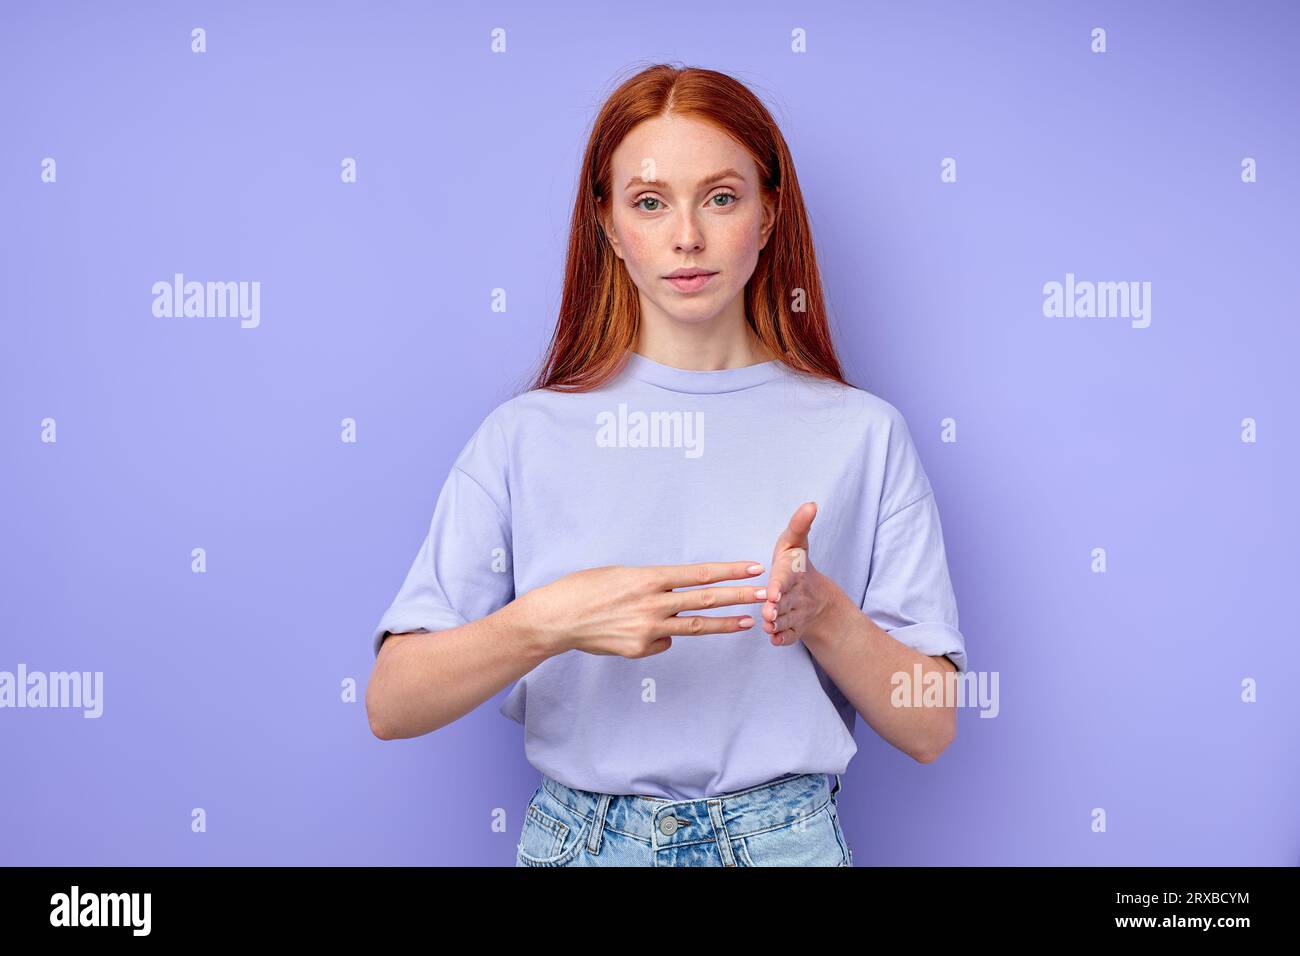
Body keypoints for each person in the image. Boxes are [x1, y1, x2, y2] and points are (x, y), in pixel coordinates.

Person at [365, 63, 968, 867]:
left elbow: (931, 725)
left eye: (721, 197)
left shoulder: (865, 434)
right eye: (650, 202)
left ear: (768, 215)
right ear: (610, 226)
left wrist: (824, 615)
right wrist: (553, 619)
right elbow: (391, 702)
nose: (688, 236)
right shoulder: (523, 436)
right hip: (579, 845)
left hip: (783, 846)